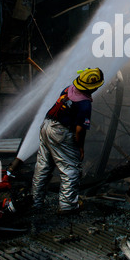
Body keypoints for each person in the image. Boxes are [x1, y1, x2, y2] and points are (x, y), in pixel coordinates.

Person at [32, 67, 104, 215]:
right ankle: (68, 206)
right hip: (60, 132)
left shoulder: (68, 90)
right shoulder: (84, 104)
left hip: (46, 125)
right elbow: (80, 130)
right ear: (94, 87)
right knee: (71, 169)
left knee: (43, 166)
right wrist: (80, 148)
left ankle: (35, 202)